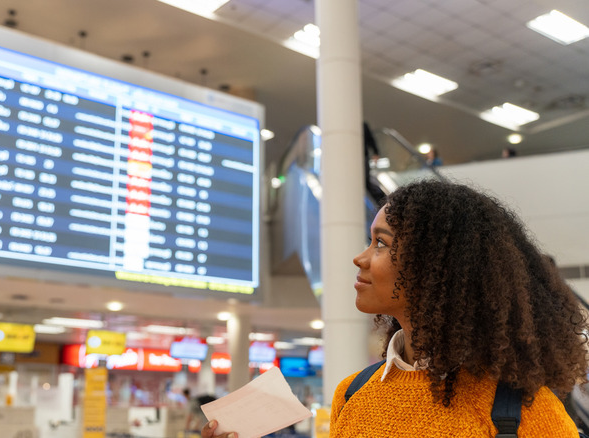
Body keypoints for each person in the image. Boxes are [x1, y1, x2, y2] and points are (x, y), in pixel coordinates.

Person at [202, 180, 589, 437]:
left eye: (381, 244)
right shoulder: (352, 395)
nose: (360, 258)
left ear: (434, 266)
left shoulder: (524, 412)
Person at [363, 122, 386, 205]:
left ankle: (383, 200)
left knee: (365, 181)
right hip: (351, 159)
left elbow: (371, 140)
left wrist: (376, 153)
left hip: (363, 157)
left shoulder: (362, 125)